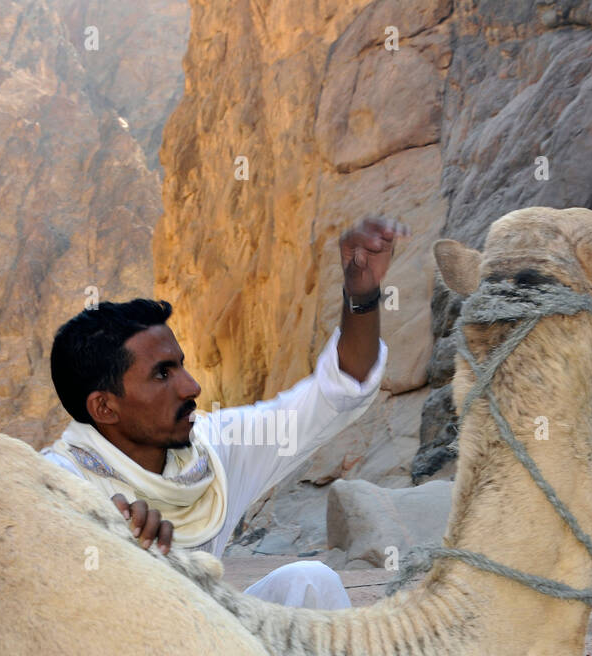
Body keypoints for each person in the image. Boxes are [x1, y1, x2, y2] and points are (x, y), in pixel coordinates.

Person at [41, 216, 407, 609]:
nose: (191, 386)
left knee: (308, 582)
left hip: (211, 641)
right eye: (162, 374)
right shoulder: (56, 487)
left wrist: (362, 295)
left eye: (180, 365)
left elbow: (338, 393)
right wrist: (110, 556)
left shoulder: (214, 447)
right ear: (104, 407)